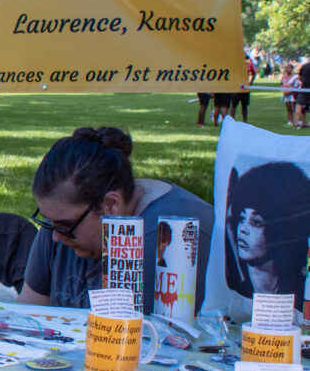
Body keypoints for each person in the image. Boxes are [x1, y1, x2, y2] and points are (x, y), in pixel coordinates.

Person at [19, 126, 214, 313]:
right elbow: (29, 316)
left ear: (111, 204)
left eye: (65, 226)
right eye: (48, 221)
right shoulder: (62, 219)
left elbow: (146, 341)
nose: (55, 238)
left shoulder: (169, 238)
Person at [224, 161, 310, 310]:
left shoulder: (302, 295)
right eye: (242, 218)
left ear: (279, 232)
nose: (243, 229)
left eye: (256, 223)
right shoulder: (233, 290)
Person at [230, 54, 255, 122]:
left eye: (246, 58)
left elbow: (253, 73)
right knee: (234, 105)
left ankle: (245, 120)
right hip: (237, 87)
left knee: (244, 105)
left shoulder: (249, 65)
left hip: (245, 87)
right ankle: (232, 120)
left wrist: (251, 82)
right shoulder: (235, 65)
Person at [295, 56, 310, 129]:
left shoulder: (304, 66)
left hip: (304, 88)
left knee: (299, 105)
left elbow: (299, 77)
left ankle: (296, 123)